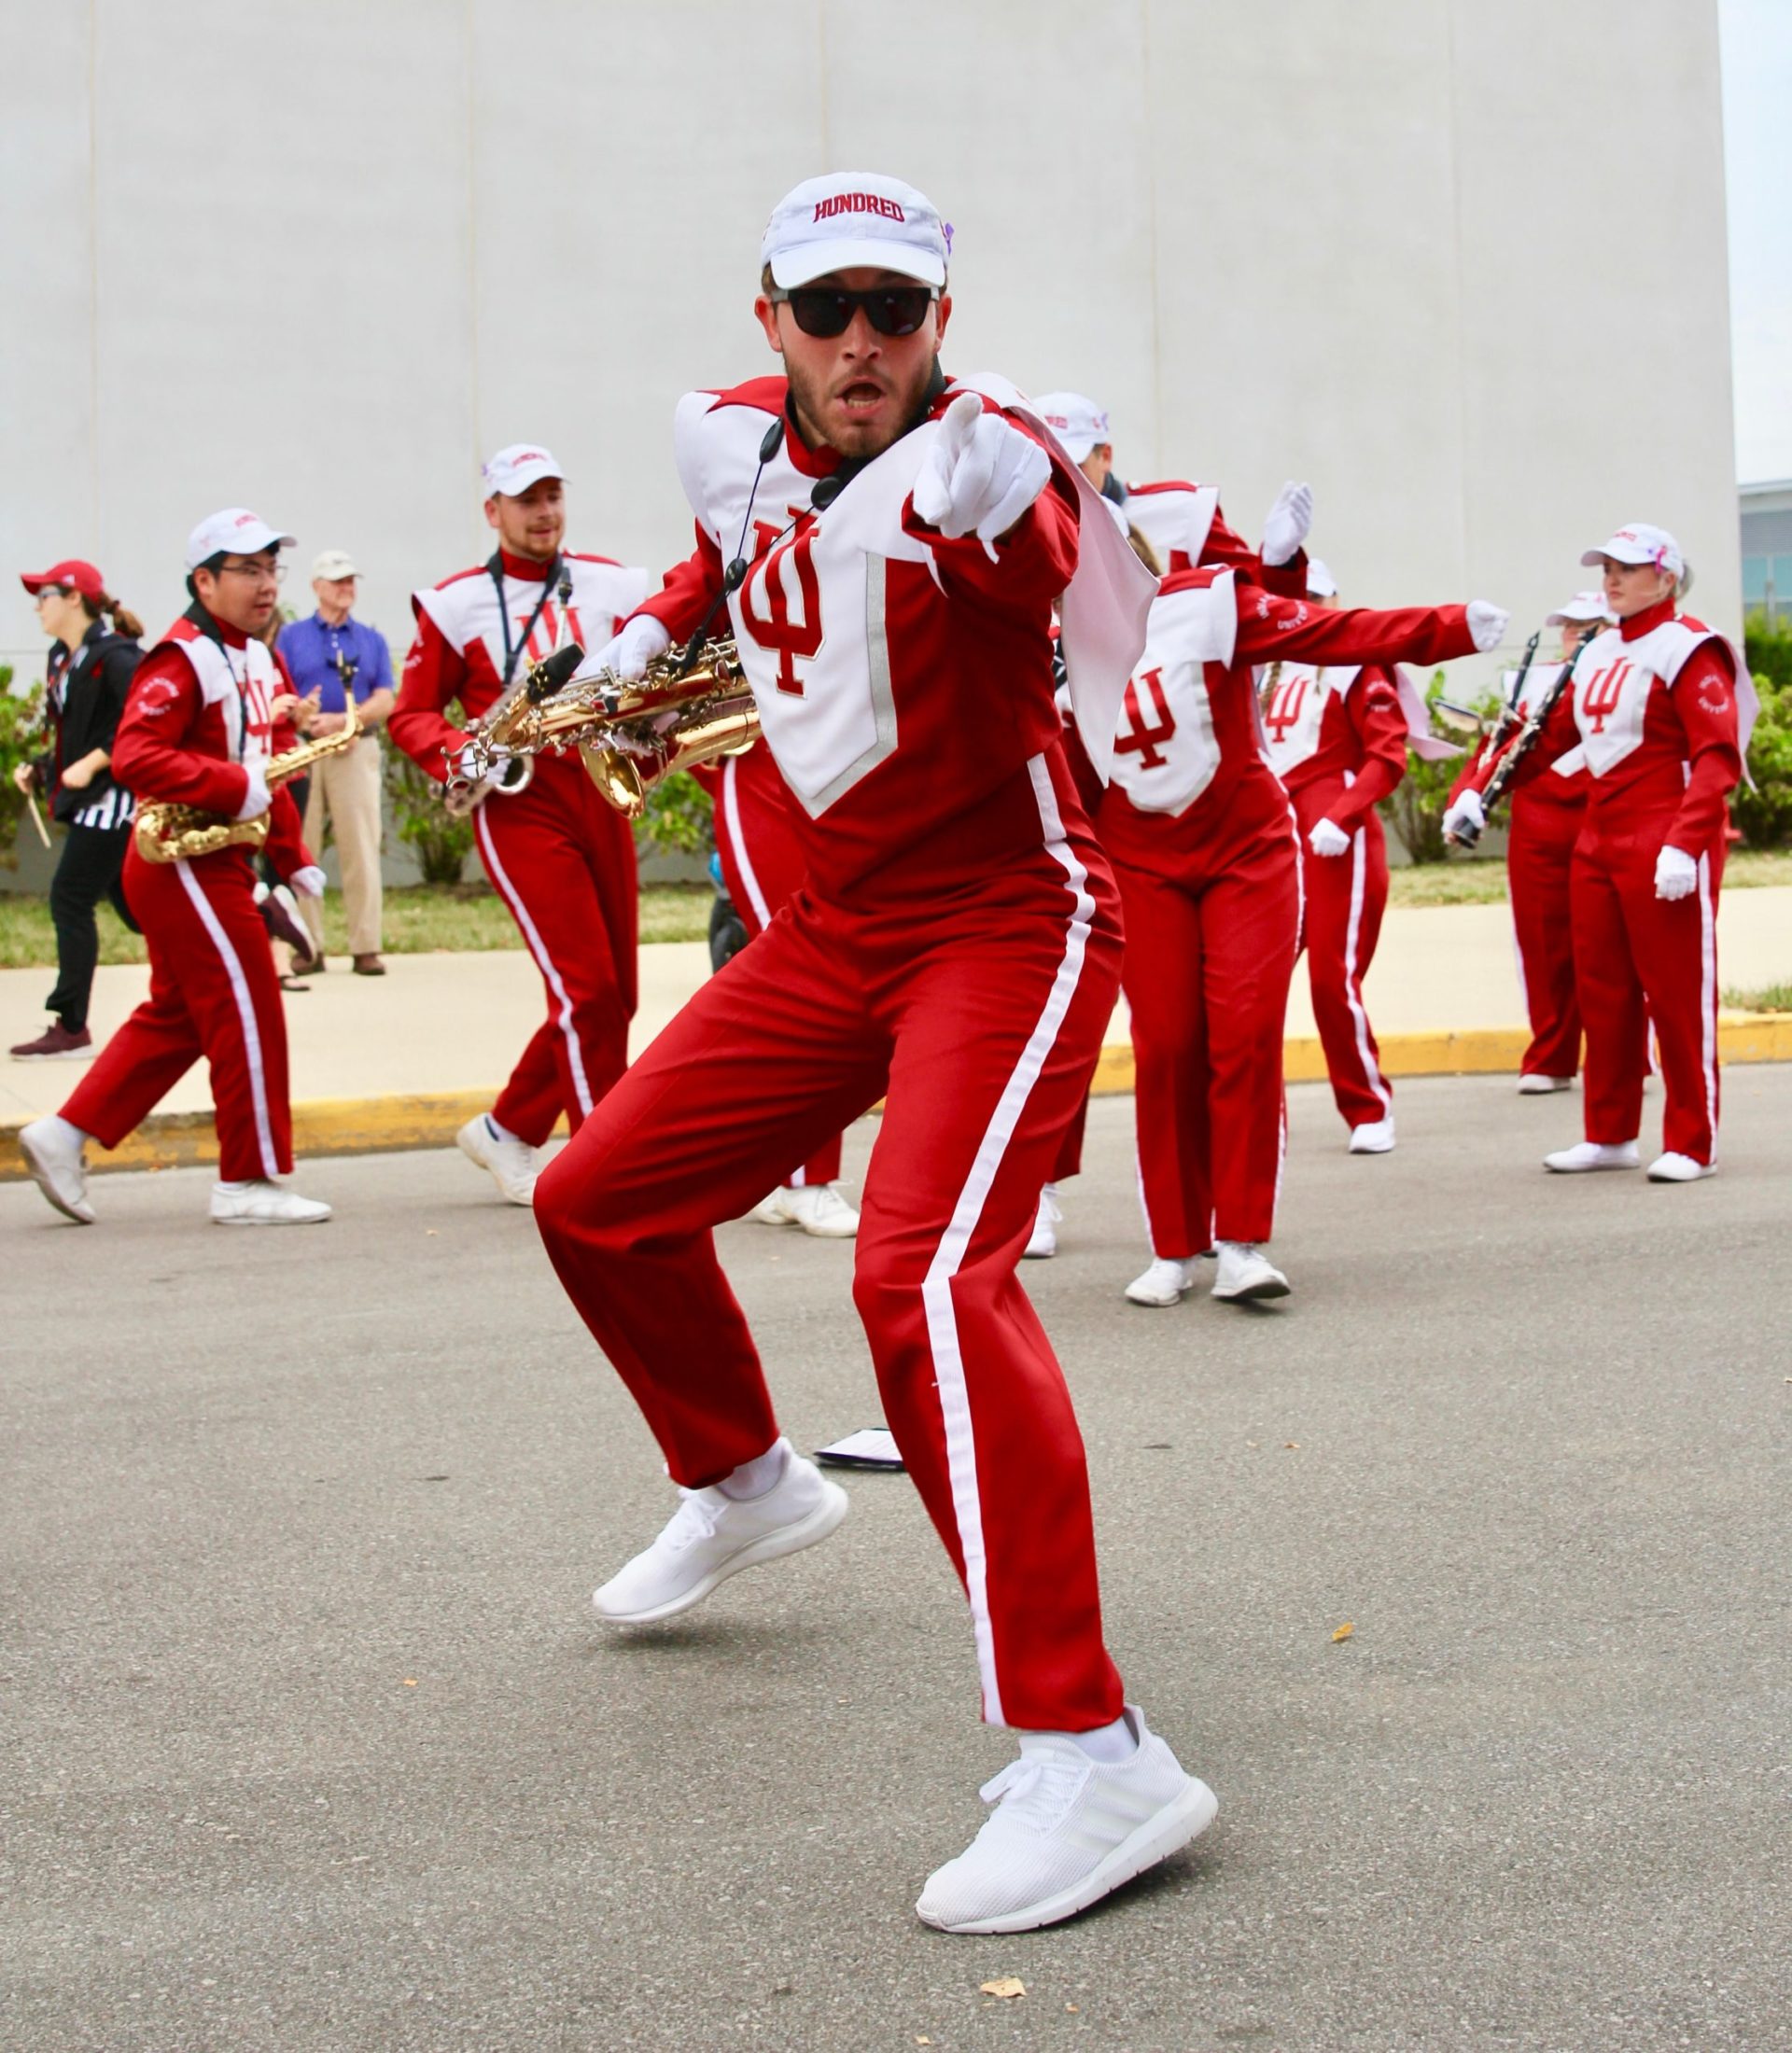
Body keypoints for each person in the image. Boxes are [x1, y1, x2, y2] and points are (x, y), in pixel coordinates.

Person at [531, 170, 1221, 1935]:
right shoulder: (745, 443)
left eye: (893, 313)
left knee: (921, 1281)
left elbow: (1034, 550)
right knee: (598, 1194)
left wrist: (1036, 481)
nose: (859, 344)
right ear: (764, 315)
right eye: (824, 308)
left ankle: (1096, 1751)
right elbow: (737, 543)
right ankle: (745, 1481)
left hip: (1007, 912)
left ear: (939, 331)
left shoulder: (985, 483)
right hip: (835, 931)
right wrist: (644, 635)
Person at [1103, 554, 1503, 1306]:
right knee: (1166, 1046)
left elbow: (1335, 630)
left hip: (1245, 851)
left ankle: (1242, 1241)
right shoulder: (1043, 632)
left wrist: (1450, 628)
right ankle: (1173, 1244)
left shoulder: (1203, 606)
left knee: (1244, 1033)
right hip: (1139, 861)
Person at [1021, 389, 1313, 1258]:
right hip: (1069, 786)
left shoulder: (1180, 513)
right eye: (1049, 463)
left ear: (1108, 456)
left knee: (1212, 1031)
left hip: (1181, 792)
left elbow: (1258, 612)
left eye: (1077, 459)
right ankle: (1034, 1188)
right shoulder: (1017, 530)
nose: (1065, 478)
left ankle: (1235, 1234)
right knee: (1050, 1005)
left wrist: (1284, 565)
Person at [17, 510, 332, 1227]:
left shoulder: (256, 653)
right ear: (204, 580)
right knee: (249, 1004)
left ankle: (63, 1135)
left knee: (183, 1015)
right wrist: (229, 787)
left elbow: (267, 767)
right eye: (247, 570)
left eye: (270, 568)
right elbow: (135, 756)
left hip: (215, 856)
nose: (265, 584)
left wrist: (293, 857)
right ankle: (245, 1180)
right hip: (180, 862)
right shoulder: (181, 655)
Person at [1444, 525, 1753, 1181]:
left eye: (1628, 568)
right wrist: (1479, 793)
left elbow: (1717, 756)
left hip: (1661, 832)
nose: (1611, 578)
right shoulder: (1598, 649)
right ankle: (1609, 1132)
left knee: (1675, 995)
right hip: (1599, 835)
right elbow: (1546, 738)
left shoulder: (1689, 647)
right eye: (1607, 567)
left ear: (1665, 580)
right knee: (1603, 990)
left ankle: (1693, 1141)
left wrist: (1685, 843)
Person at [389, 447, 649, 1206]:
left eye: (552, 496)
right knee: (587, 989)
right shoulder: (453, 602)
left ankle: (509, 1130)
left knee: (615, 994)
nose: (543, 513)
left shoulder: (613, 582)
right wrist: (459, 753)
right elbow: (411, 714)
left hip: (599, 787)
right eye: (525, 500)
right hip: (520, 800)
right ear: (491, 512)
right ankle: (605, 1164)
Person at [1260, 560, 1465, 1152]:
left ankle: (1368, 1106)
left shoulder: (1354, 662)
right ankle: (1261, 1116)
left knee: (1331, 981)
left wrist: (1341, 814)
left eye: (1318, 599)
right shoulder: (1263, 667)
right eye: (1299, 600)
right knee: (1255, 987)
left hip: (1336, 846)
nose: (1308, 610)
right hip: (1274, 844)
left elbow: (1388, 754)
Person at [692, 743, 860, 1237]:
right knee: (802, 982)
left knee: (810, 982)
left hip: (820, 768)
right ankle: (803, 1181)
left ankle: (758, 1170)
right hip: (759, 770)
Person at [1448, 592, 1612, 1091]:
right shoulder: (1533, 678)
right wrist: (1466, 797)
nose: (1575, 634)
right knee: (1542, 943)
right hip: (1538, 820)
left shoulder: (1625, 672)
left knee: (1605, 944)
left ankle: (1620, 1056)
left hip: (1598, 814)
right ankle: (1551, 1055)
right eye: (1568, 625)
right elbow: (1497, 744)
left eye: (1589, 625)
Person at [9, 560, 145, 1059]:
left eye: (44, 595)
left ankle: (70, 1025)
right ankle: (237, 935)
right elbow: (75, 733)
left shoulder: (117, 657)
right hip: (90, 799)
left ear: (74, 598)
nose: (37, 605)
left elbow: (140, 719)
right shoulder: (61, 659)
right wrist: (44, 767)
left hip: (114, 800)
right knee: (138, 909)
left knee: (69, 896)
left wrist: (92, 764)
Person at [277, 550, 395, 976]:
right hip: (305, 752)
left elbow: (385, 697)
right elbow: (281, 691)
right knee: (300, 845)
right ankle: (308, 945)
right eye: (337, 581)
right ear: (316, 587)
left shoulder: (371, 639)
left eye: (350, 580)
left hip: (355, 749)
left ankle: (366, 945)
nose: (346, 588)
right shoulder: (290, 637)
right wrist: (303, 714)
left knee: (361, 845)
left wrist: (348, 720)